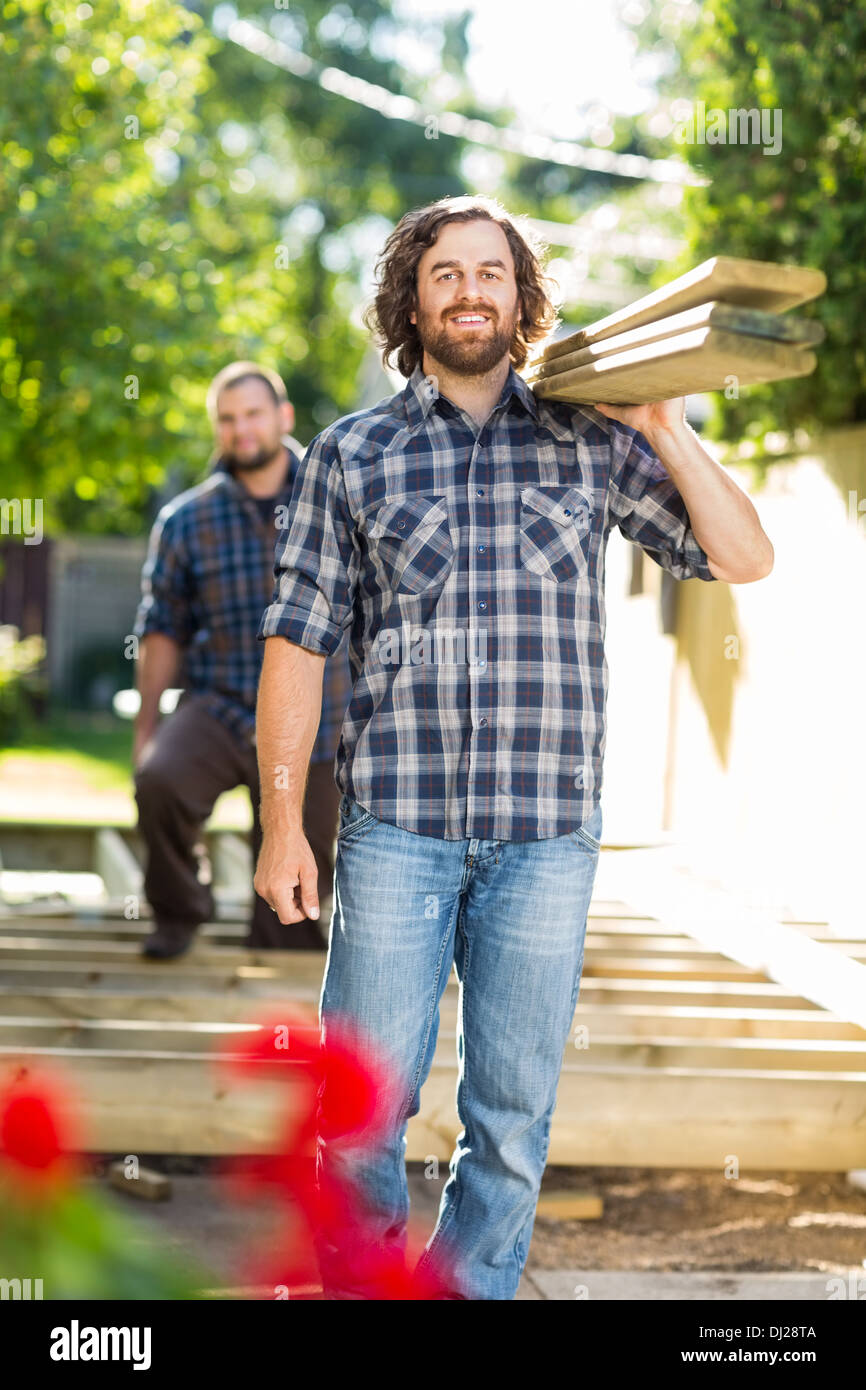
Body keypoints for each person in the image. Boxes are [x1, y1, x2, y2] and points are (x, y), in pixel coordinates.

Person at [252, 196, 775, 1299]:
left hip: (545, 835)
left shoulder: (591, 443)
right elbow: (295, 646)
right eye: (444, 273)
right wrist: (279, 825)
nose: (469, 290)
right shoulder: (351, 455)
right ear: (410, 299)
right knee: (359, 1113)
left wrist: (667, 429)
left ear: (520, 297)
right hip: (396, 828)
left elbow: (743, 557)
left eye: (490, 272)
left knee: (511, 1116)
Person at [131, 361, 353, 958]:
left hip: (318, 715)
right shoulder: (186, 519)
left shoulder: (338, 497)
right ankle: (180, 911)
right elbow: (161, 629)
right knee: (160, 780)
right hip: (220, 704)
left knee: (289, 928)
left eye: (253, 413)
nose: (241, 429)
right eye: (227, 420)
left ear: (282, 416)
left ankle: (283, 942)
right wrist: (147, 726)